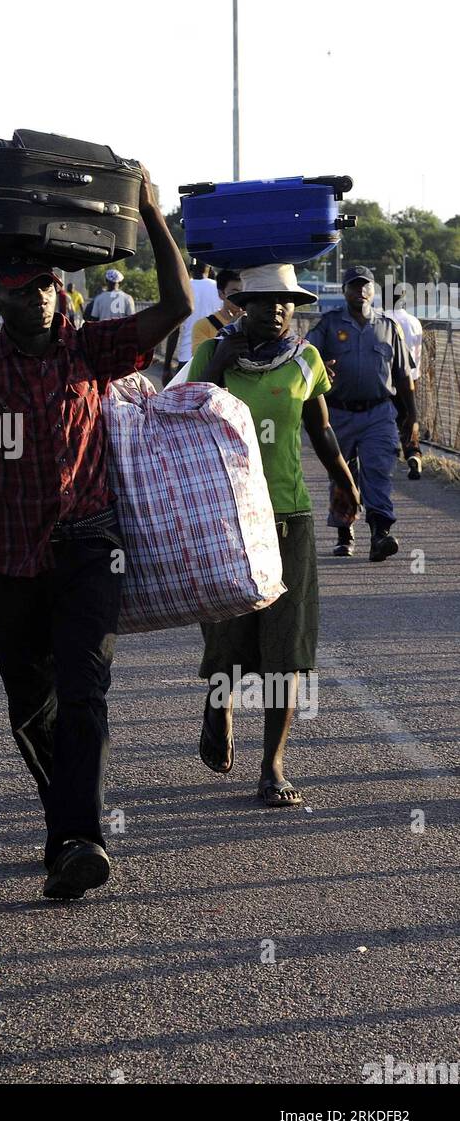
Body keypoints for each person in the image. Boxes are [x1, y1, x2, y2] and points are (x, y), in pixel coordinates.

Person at [0, 168, 192, 899]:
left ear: (61, 292)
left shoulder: (90, 351)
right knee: (29, 707)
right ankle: (64, 826)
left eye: (42, 285)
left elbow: (178, 306)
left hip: (91, 546)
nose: (31, 297)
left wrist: (155, 218)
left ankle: (80, 837)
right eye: (15, 288)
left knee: (86, 692)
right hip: (9, 562)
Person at [188, 264, 359, 808]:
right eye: (266, 301)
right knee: (228, 639)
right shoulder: (213, 355)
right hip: (226, 516)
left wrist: (344, 483)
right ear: (243, 303)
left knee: (287, 643)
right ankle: (219, 708)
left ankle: (273, 764)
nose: (280, 309)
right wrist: (218, 363)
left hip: (289, 515)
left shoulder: (306, 359)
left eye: (288, 301)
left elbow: (320, 427)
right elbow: (191, 417)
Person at [306, 266, 417, 559]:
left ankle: (380, 533)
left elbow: (404, 375)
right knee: (342, 475)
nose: (360, 291)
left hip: (379, 413)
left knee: (378, 470)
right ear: (345, 291)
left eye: (365, 286)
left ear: (373, 290)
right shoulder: (328, 325)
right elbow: (305, 357)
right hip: (338, 413)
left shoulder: (388, 326)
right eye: (354, 286)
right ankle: (345, 532)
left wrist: (412, 416)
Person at [162, 261, 220, 383]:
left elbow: (174, 331)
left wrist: (167, 366)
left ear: (191, 268)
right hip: (214, 356)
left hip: (186, 357)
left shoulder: (183, 288)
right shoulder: (219, 289)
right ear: (209, 268)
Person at [390, 285, 424, 479]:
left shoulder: (381, 319)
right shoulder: (414, 322)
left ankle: (387, 456)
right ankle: (413, 453)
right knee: (408, 419)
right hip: (411, 377)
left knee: (383, 419)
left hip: (387, 379)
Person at [191, 269, 243, 350]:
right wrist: (230, 328)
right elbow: (203, 358)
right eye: (234, 292)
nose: (240, 297)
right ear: (221, 293)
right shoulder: (203, 326)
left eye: (243, 291)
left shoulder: (254, 322)